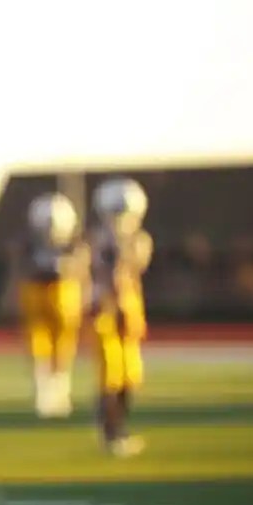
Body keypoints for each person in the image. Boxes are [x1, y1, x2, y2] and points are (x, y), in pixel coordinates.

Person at [89, 177, 152, 458]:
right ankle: (111, 434)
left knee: (127, 376)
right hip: (109, 310)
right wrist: (122, 306)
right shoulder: (105, 240)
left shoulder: (135, 239)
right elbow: (113, 277)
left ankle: (117, 432)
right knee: (112, 377)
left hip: (124, 308)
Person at [11, 192, 88, 418]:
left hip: (63, 291)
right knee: (38, 345)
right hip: (36, 291)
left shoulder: (74, 242)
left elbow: (81, 267)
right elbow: (20, 268)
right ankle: (44, 392)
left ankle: (60, 391)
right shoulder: (27, 243)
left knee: (63, 345)